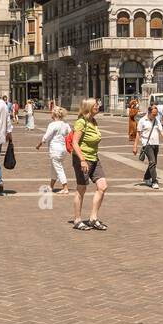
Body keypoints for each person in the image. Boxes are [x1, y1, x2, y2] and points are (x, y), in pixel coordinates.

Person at [69, 98, 107, 230]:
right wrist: (82, 160)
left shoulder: (94, 121)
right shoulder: (81, 122)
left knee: (102, 186)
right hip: (82, 159)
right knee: (81, 188)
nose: (98, 106)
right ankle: (77, 220)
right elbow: (74, 143)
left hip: (94, 158)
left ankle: (93, 218)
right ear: (89, 107)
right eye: (96, 105)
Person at [37, 106, 71, 194]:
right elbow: (70, 134)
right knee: (54, 168)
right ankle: (51, 186)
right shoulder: (65, 124)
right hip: (63, 149)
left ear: (54, 115)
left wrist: (40, 144)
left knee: (58, 168)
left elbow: (46, 136)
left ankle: (65, 187)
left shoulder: (52, 125)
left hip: (55, 149)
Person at [134, 103, 163, 189]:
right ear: (149, 112)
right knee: (152, 162)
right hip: (147, 145)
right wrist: (135, 146)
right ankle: (154, 181)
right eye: (153, 114)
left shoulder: (156, 120)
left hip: (156, 144)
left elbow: (161, 130)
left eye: (156, 114)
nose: (155, 116)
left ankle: (146, 177)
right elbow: (138, 134)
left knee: (154, 162)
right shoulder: (142, 120)